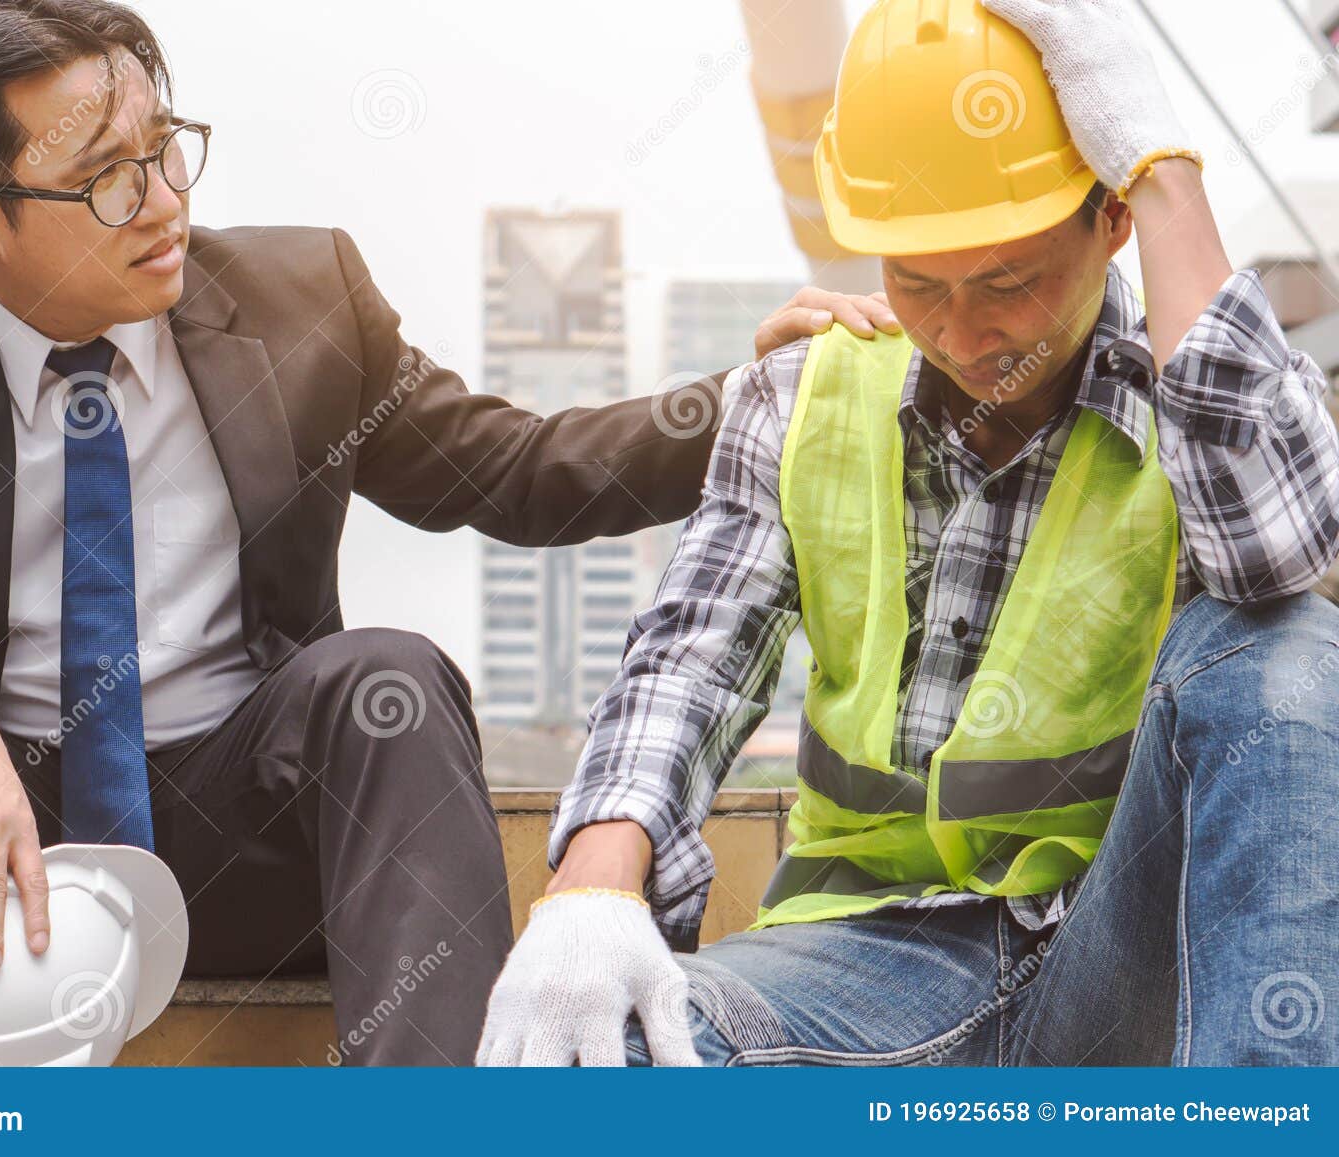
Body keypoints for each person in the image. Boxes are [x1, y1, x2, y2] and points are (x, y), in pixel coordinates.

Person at [0, 0, 857, 1065]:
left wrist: (749, 400)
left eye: (166, 147)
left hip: (240, 838)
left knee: (389, 676)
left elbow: (516, 471)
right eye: (106, 183)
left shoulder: (299, 298)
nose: (165, 200)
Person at [478, 0, 1339, 1066]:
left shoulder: (1192, 401)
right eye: (916, 281)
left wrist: (1162, 170)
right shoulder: (803, 396)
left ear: (1110, 218)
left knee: (1283, 645)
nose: (961, 333)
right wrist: (591, 888)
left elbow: (1274, 554)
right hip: (860, 969)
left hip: (1123, 973)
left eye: (1008, 283)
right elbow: (687, 660)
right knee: (611, 1053)